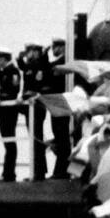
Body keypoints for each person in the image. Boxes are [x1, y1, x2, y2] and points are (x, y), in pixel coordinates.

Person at [18, 41, 49, 181]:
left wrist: (31, 95)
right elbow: (23, 67)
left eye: (30, 51)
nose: (28, 54)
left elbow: (40, 86)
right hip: (29, 107)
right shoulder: (30, 66)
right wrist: (20, 57)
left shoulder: (41, 65)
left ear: (35, 52)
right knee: (34, 139)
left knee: (36, 139)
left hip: (36, 107)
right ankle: (37, 170)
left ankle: (39, 172)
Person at [0, 48, 22, 182]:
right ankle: (7, 173)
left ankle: (9, 174)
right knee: (7, 142)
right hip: (3, 111)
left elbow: (13, 89)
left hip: (9, 111)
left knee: (9, 142)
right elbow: (1, 83)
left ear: (3, 59)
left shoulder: (13, 71)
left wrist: (1, 98)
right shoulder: (5, 71)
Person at [44, 38, 72, 178]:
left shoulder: (64, 62)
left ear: (61, 47)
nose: (53, 50)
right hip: (55, 104)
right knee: (60, 137)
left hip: (60, 103)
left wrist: (43, 56)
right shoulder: (59, 62)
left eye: (55, 47)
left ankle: (62, 171)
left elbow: (48, 71)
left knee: (62, 138)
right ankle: (60, 170)